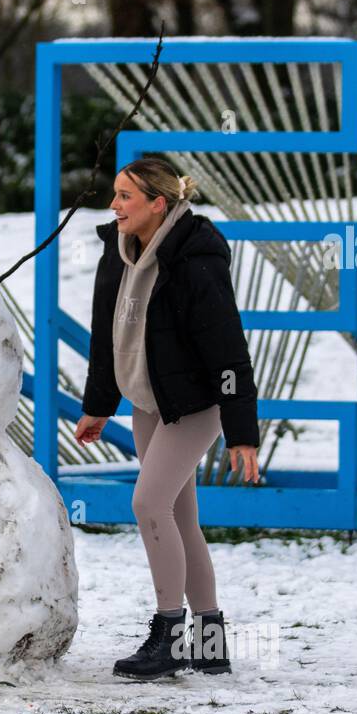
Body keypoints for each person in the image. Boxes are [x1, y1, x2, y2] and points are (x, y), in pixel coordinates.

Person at [74, 156, 260, 681]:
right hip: (149, 400)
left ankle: (169, 633)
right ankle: (209, 640)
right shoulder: (118, 250)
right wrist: (98, 404)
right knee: (179, 518)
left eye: (125, 197)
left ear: (159, 203)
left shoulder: (194, 258)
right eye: (114, 194)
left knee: (148, 504)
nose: (114, 205)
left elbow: (228, 348)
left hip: (195, 404)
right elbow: (107, 336)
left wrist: (242, 432)